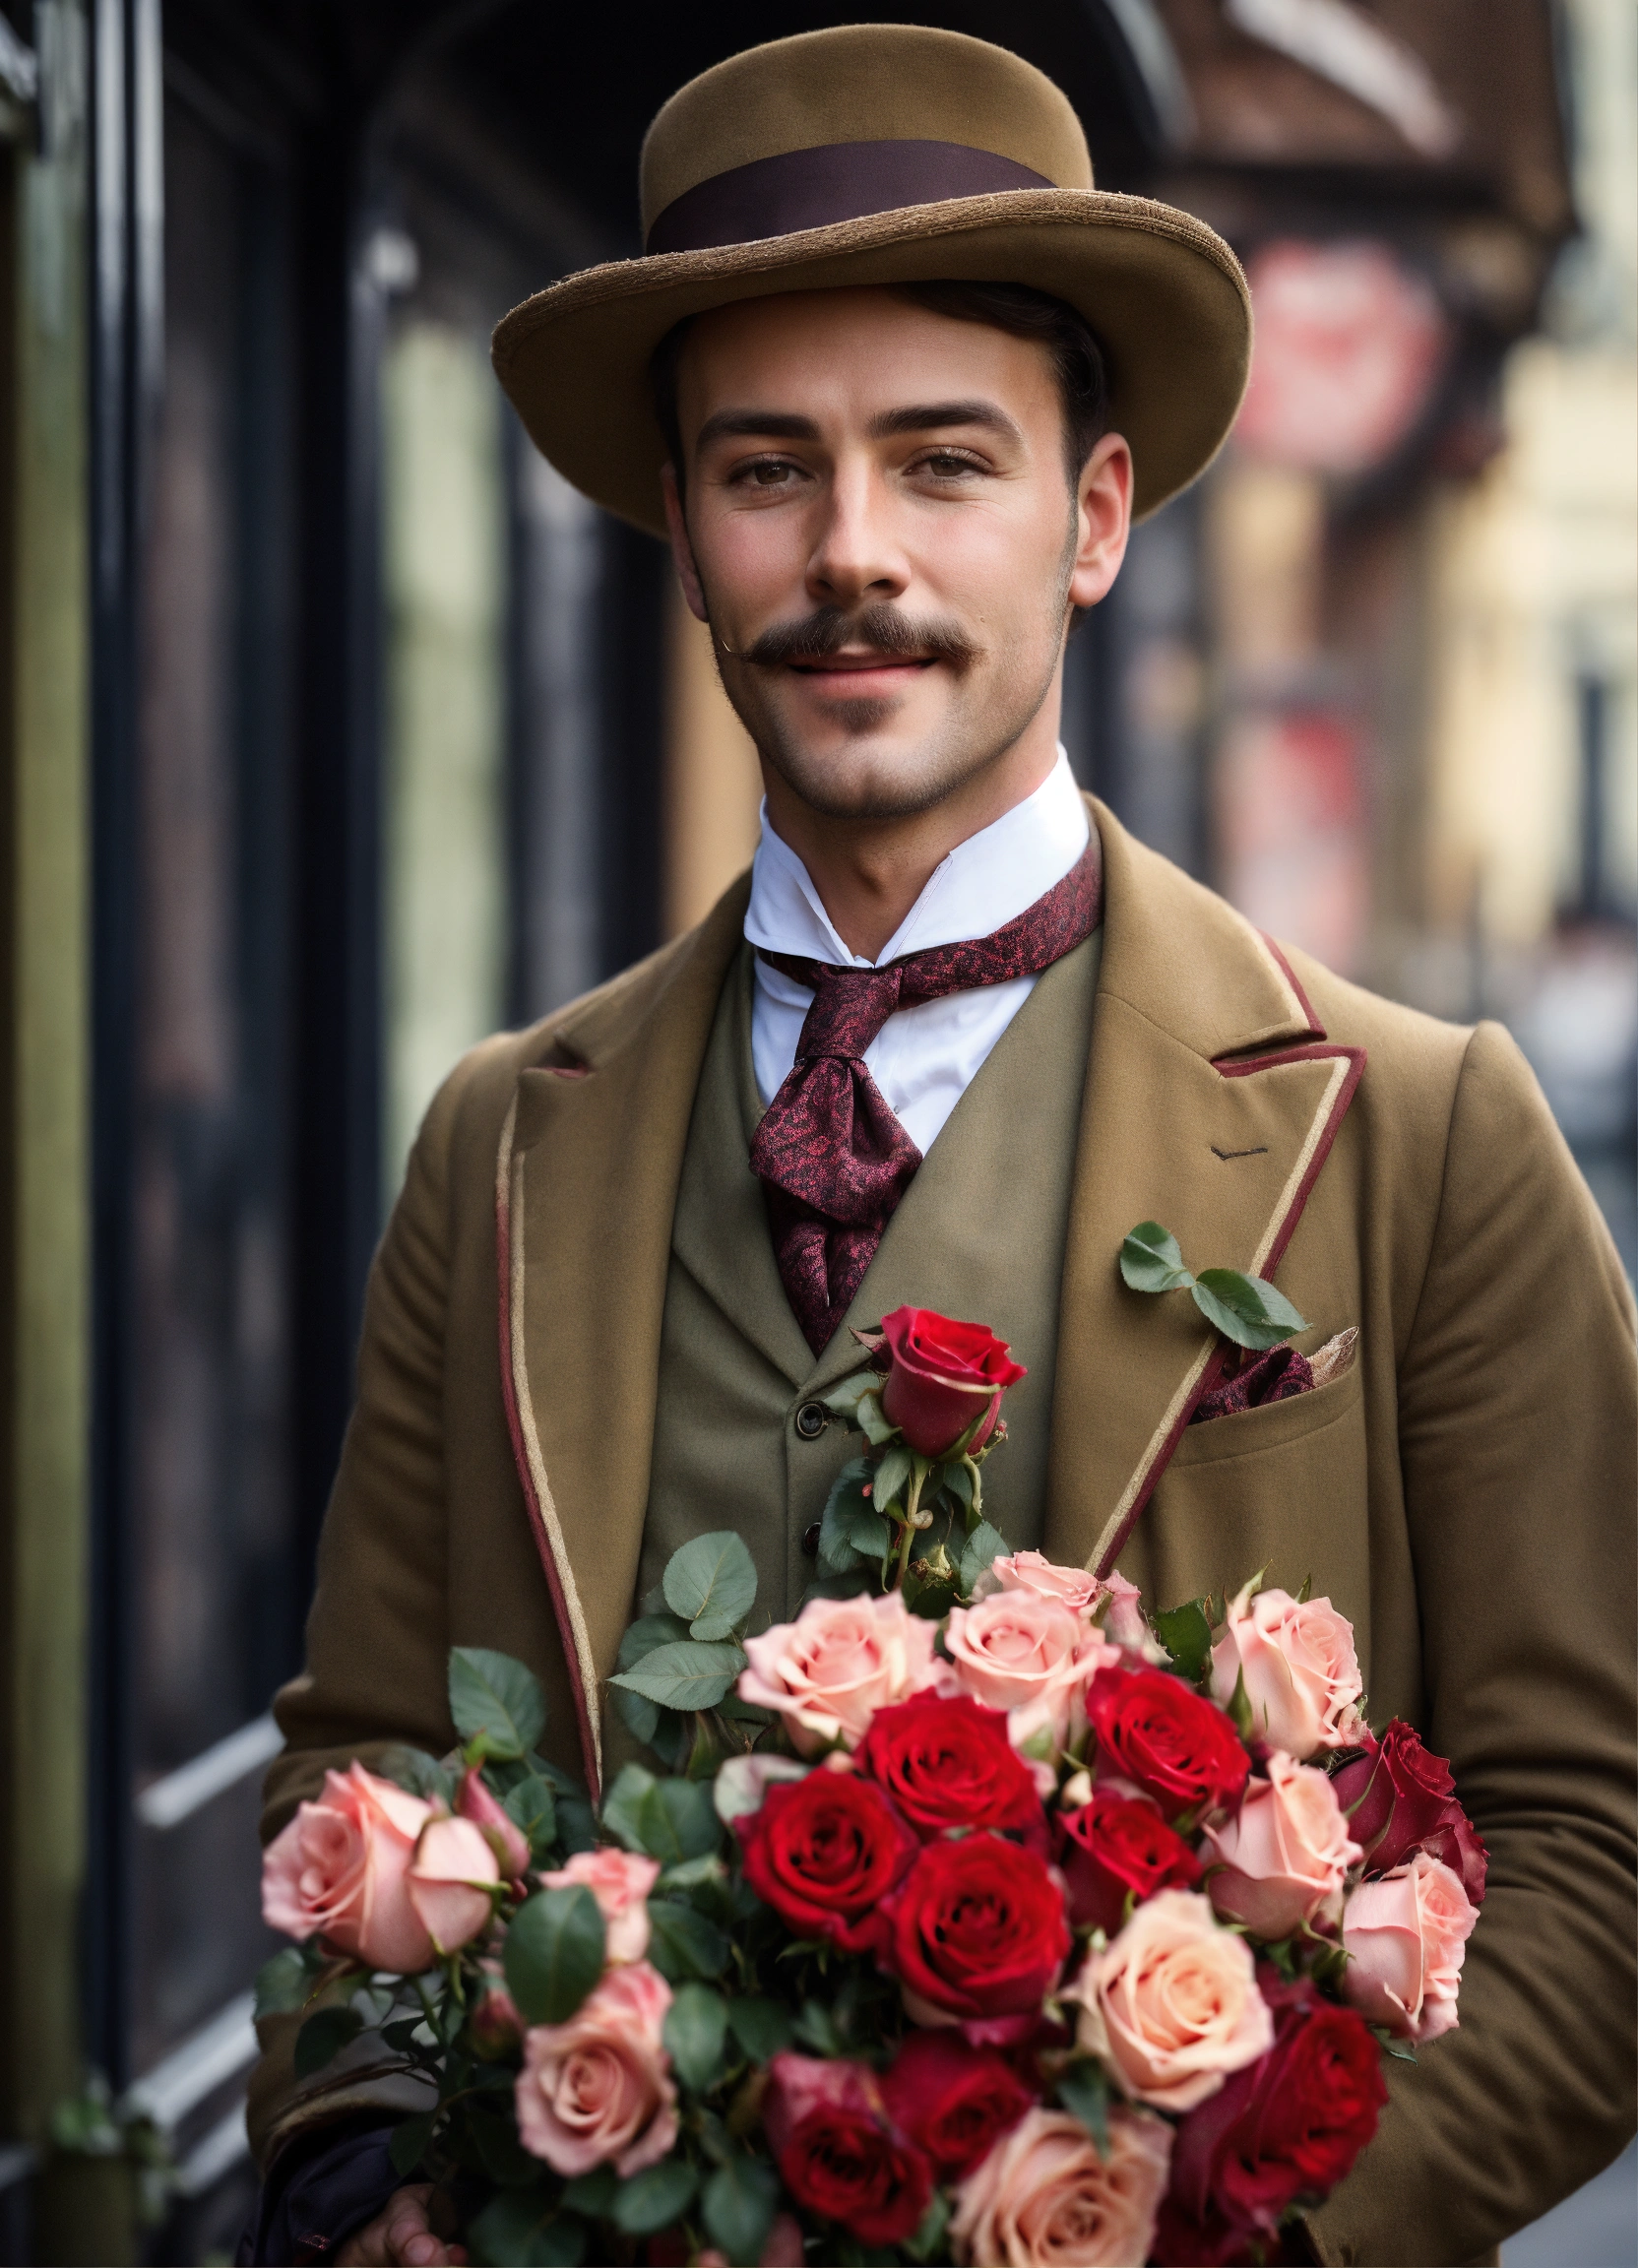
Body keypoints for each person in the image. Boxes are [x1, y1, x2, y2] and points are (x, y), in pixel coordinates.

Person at [239, 26, 1637, 2268]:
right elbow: (364, 1779)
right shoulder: (500, 1142)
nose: (851, 553)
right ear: (683, 530)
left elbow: (1602, 1848)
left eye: (942, 463)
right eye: (768, 469)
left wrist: (1258, 2233)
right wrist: (345, 2183)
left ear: (1090, 518)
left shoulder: (1427, 1138)